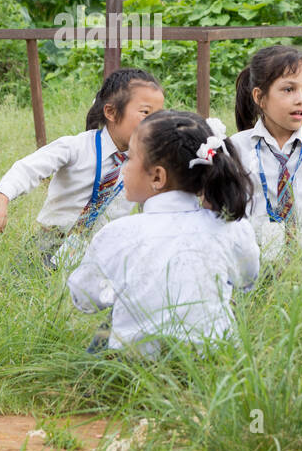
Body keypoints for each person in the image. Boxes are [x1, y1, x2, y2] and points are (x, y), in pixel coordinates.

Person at [67, 111, 258, 357]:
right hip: (213, 358)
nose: (124, 167)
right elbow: (246, 280)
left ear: (157, 176)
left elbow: (84, 298)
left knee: (110, 325)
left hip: (135, 365)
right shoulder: (230, 226)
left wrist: (118, 291)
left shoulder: (118, 233)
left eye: (131, 158)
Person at [0, 68, 165, 266]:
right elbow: (28, 169)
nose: (154, 123)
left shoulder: (146, 164)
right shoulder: (76, 147)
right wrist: (1, 198)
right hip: (50, 244)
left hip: (102, 252)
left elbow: (152, 211)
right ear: (111, 112)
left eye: (158, 115)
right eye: (145, 113)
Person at [228, 45, 302, 260]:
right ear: (259, 97)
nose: (300, 99)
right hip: (257, 263)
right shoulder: (236, 147)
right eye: (288, 90)